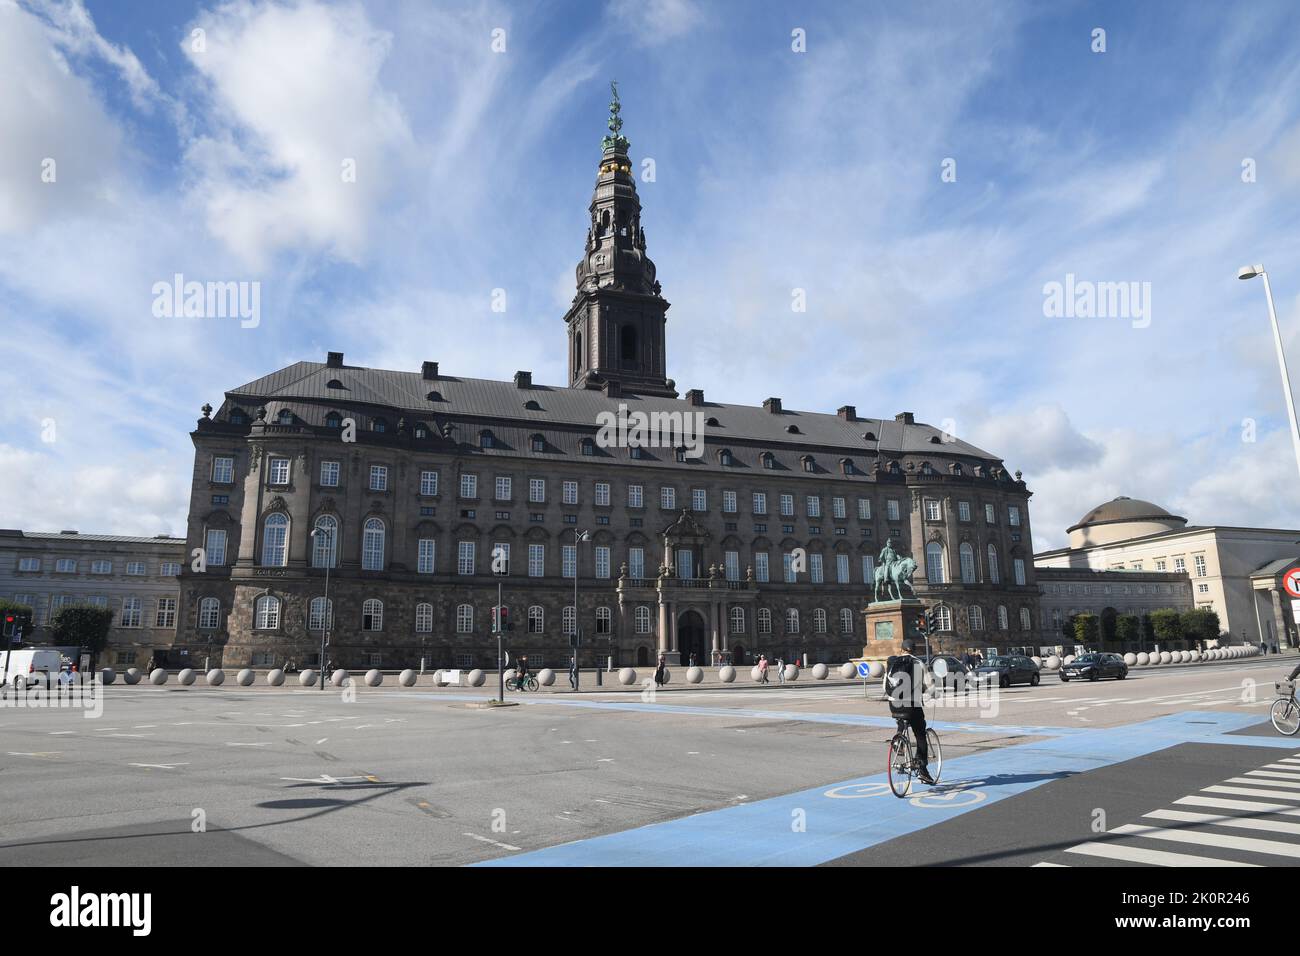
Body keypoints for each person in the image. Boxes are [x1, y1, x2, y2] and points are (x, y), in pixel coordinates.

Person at [886, 638, 934, 785]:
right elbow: (930, 687)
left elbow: (885, 685)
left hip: (893, 705)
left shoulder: (893, 663)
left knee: (902, 719)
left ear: (901, 649)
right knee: (920, 734)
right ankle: (923, 770)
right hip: (912, 705)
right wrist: (930, 694)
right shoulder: (918, 663)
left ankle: (898, 741)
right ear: (914, 650)